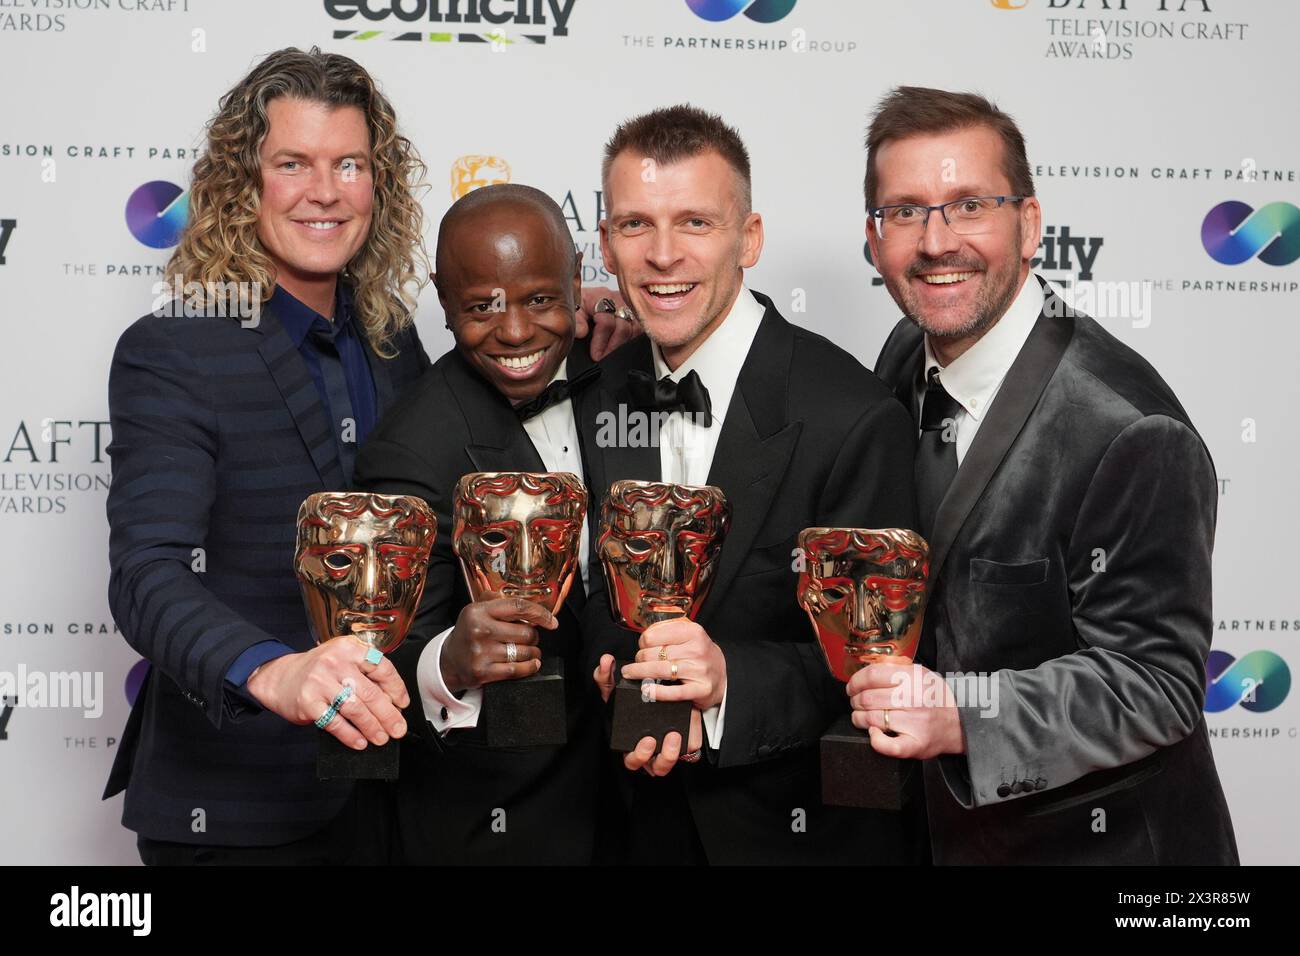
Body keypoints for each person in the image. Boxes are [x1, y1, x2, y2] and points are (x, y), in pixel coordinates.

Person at [103, 46, 633, 866]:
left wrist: (577, 321)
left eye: (349, 164)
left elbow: (500, 385)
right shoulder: (174, 350)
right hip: (243, 806)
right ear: (243, 183)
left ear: (376, 182)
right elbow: (148, 573)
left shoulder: (392, 345)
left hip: (397, 795)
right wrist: (272, 671)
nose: (325, 191)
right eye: (293, 164)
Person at [861, 86, 1239, 865]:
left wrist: (964, 713)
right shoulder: (906, 354)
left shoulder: (1130, 428)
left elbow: (1156, 682)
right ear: (874, 239)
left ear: (1030, 225)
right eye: (905, 211)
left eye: (969, 204)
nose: (936, 242)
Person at [579, 105, 923, 865]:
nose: (663, 255)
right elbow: (583, 591)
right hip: (626, 831)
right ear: (606, 244)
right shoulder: (591, 395)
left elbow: (877, 662)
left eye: (696, 223)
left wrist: (731, 678)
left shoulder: (852, 416)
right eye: (636, 225)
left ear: (751, 238)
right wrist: (609, 650)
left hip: (791, 835)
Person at [352, 184, 608, 864]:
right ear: (443, 300)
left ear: (577, 278)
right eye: (481, 307)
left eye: (541, 299)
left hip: (642, 814)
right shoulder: (411, 446)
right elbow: (373, 660)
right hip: (498, 830)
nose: (517, 331)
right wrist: (448, 661)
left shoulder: (621, 374)